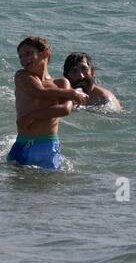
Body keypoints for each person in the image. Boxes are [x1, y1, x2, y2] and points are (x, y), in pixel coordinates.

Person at [8, 35, 87, 169]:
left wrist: (32, 116)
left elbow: (65, 109)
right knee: (17, 187)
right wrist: (72, 93)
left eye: (28, 54)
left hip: (48, 145)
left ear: (45, 53)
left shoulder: (62, 82)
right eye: (20, 56)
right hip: (23, 142)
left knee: (47, 186)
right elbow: (38, 92)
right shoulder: (23, 76)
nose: (24, 59)